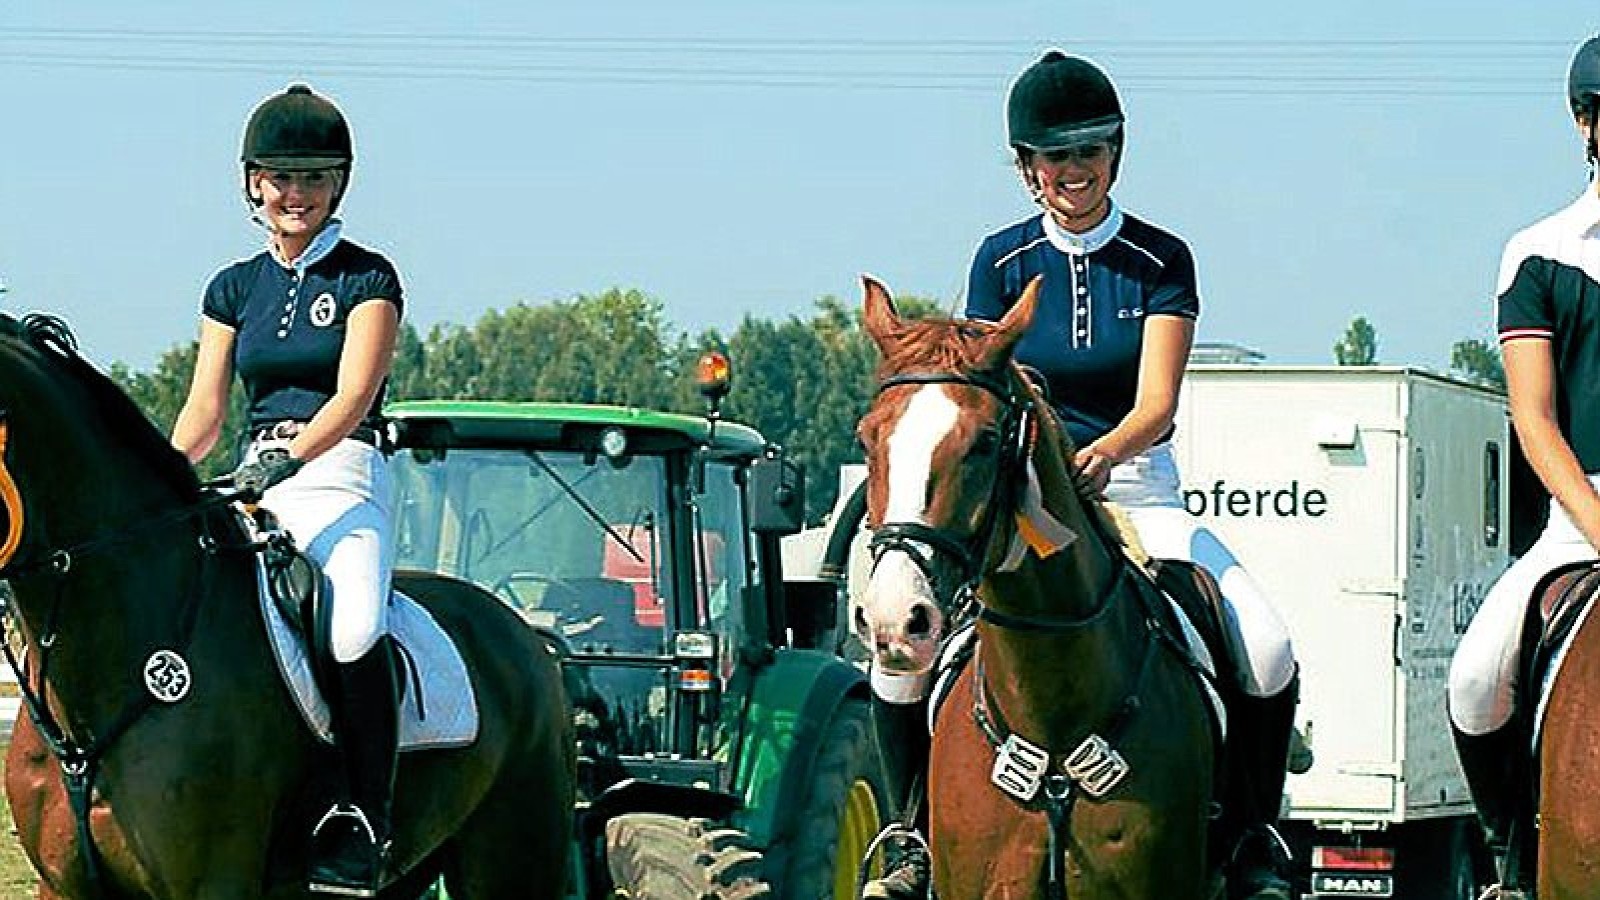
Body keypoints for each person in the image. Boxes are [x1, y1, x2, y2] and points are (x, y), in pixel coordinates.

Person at [863, 51, 1300, 900]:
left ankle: (1252, 837)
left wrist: (1099, 456)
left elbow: (1157, 404)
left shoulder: (1160, 258)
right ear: (1028, 168)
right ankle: (912, 836)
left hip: (1136, 486)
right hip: (1024, 495)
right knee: (900, 660)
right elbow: (980, 386)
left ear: (1116, 153)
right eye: (1056, 155)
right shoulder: (999, 258)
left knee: (1268, 644)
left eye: (1092, 150)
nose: (1076, 169)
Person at [170, 83, 404, 898]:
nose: (294, 194)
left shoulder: (369, 277)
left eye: (313, 177)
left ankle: (363, 818)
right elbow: (206, 410)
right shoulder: (232, 287)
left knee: (350, 625)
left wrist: (292, 456)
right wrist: (165, 476)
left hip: (341, 472)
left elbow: (351, 397)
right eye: (279, 177)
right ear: (252, 184)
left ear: (338, 184)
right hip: (252, 477)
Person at [1446, 35, 1600, 900]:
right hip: (1580, 520)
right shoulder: (1541, 253)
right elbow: (1535, 420)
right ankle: (1515, 859)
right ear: (1587, 123)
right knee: (1474, 681)